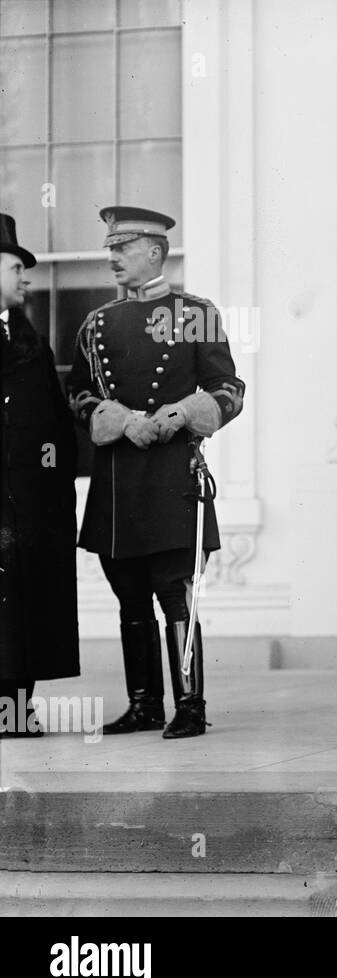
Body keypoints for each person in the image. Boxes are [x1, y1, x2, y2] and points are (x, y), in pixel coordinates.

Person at [67, 206, 245, 739]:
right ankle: (143, 703)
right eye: (110, 248)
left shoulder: (197, 312)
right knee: (129, 594)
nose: (112, 257)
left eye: (122, 247)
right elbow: (76, 395)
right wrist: (117, 419)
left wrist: (180, 414)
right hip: (119, 481)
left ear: (154, 250)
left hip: (173, 476)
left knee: (176, 593)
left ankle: (190, 704)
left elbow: (229, 391)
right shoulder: (97, 324)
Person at [0, 213, 79, 737]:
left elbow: (54, 420)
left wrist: (55, 490)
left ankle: (16, 708)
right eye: (14, 267)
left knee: (24, 608)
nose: (25, 278)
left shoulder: (30, 343)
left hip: (29, 503)